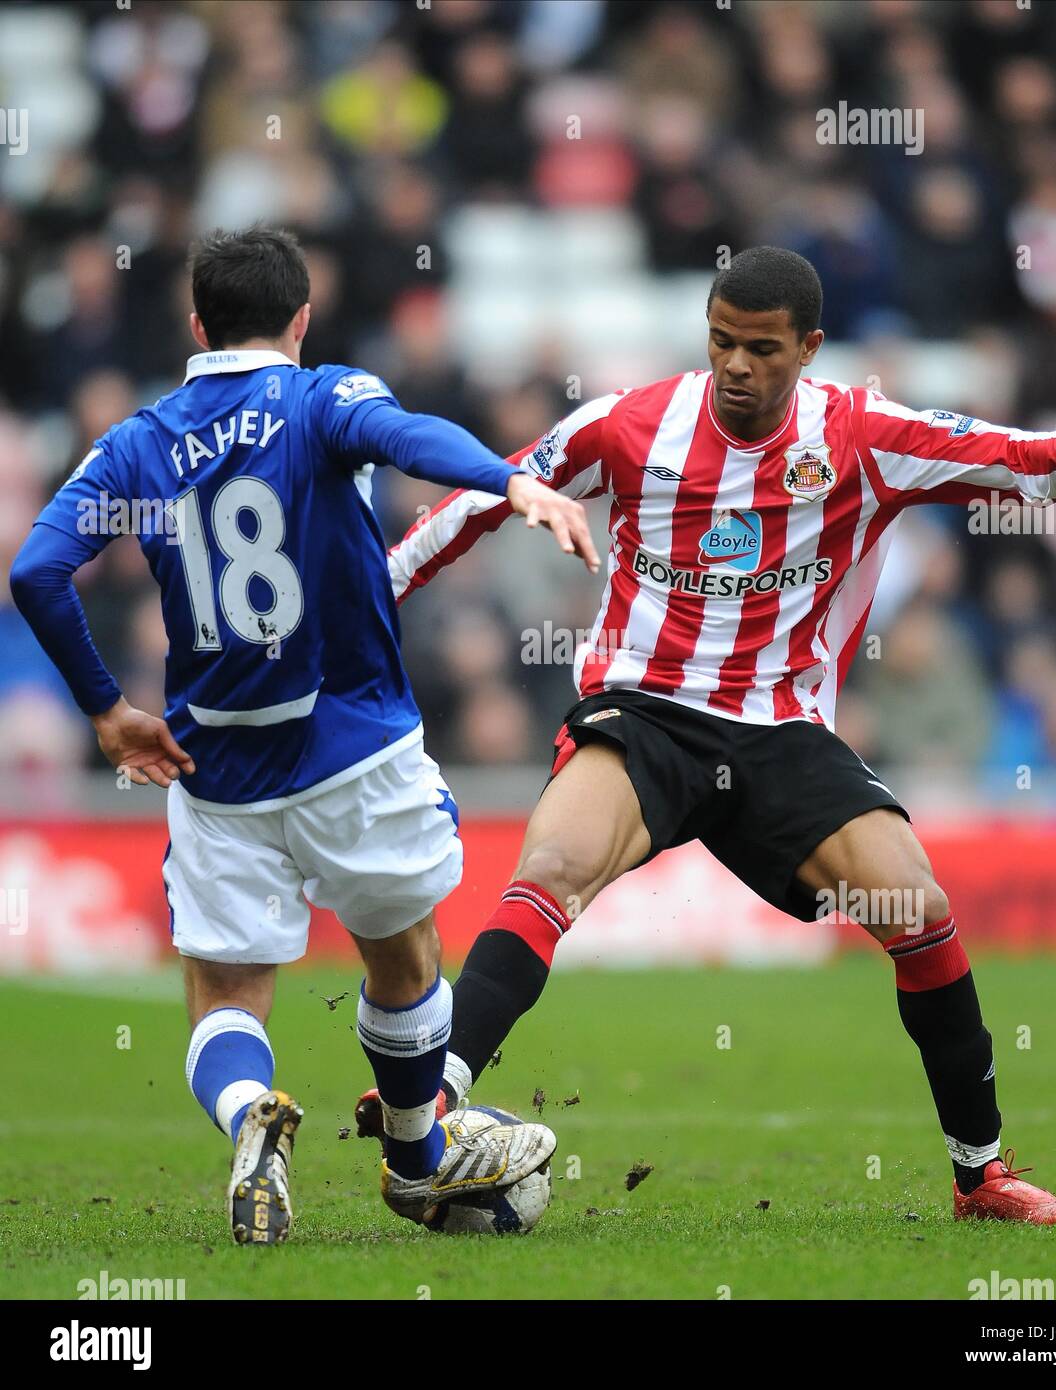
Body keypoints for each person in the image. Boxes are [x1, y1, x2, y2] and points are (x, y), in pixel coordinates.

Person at [365, 245, 1056, 1226]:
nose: (735, 364)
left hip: (779, 731)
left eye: (760, 348)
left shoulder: (862, 432)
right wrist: (373, 594)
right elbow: (483, 497)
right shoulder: (628, 424)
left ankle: (979, 1177)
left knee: (918, 909)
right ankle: (428, 1108)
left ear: (807, 348)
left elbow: (1029, 471)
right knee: (550, 865)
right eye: (721, 341)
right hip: (644, 710)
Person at [10, 225, 599, 1243]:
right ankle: (417, 1158)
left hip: (216, 764)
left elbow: (34, 572)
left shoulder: (139, 441)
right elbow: (412, 437)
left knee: (227, 992)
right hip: (352, 748)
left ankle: (252, 1118)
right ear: (301, 317)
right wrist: (513, 481)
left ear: (196, 324)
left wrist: (108, 709)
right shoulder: (323, 395)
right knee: (403, 957)